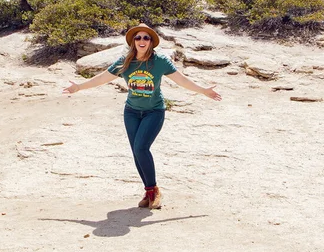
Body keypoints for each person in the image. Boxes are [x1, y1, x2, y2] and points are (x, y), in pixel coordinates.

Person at [62, 22, 221, 209]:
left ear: (151, 42)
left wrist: (203, 91)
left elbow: (181, 80)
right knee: (136, 152)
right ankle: (148, 192)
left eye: (146, 37)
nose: (142, 40)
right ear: (133, 42)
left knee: (141, 148)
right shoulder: (125, 62)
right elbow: (103, 77)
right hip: (131, 112)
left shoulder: (160, 61)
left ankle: (155, 192)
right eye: (138, 37)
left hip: (154, 111)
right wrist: (79, 87)